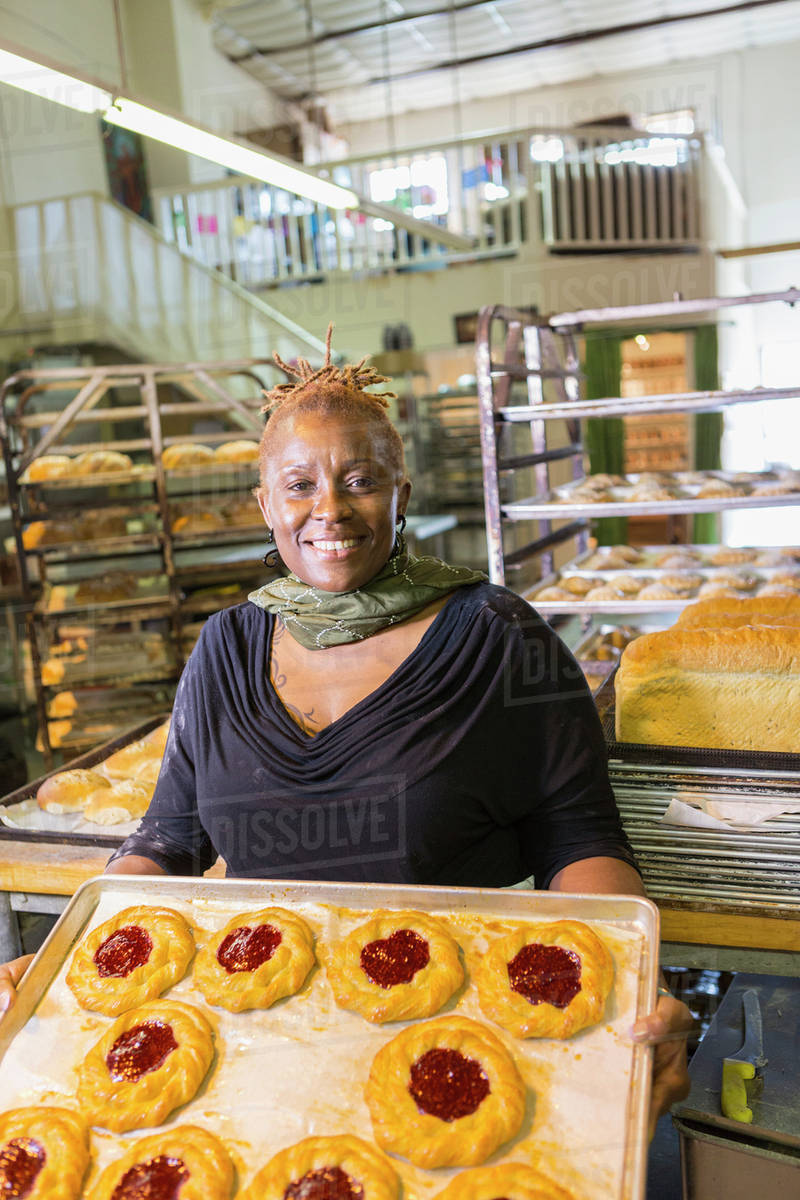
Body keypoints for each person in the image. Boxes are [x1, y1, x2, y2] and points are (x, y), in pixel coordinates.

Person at [0, 329, 691, 1136]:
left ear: (400, 491)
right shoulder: (226, 647)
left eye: (359, 480)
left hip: (463, 1056)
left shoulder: (498, 638)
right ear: (264, 503)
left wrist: (629, 991)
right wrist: (72, 958)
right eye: (299, 485)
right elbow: (168, 838)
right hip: (260, 1062)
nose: (329, 509)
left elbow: (580, 838)